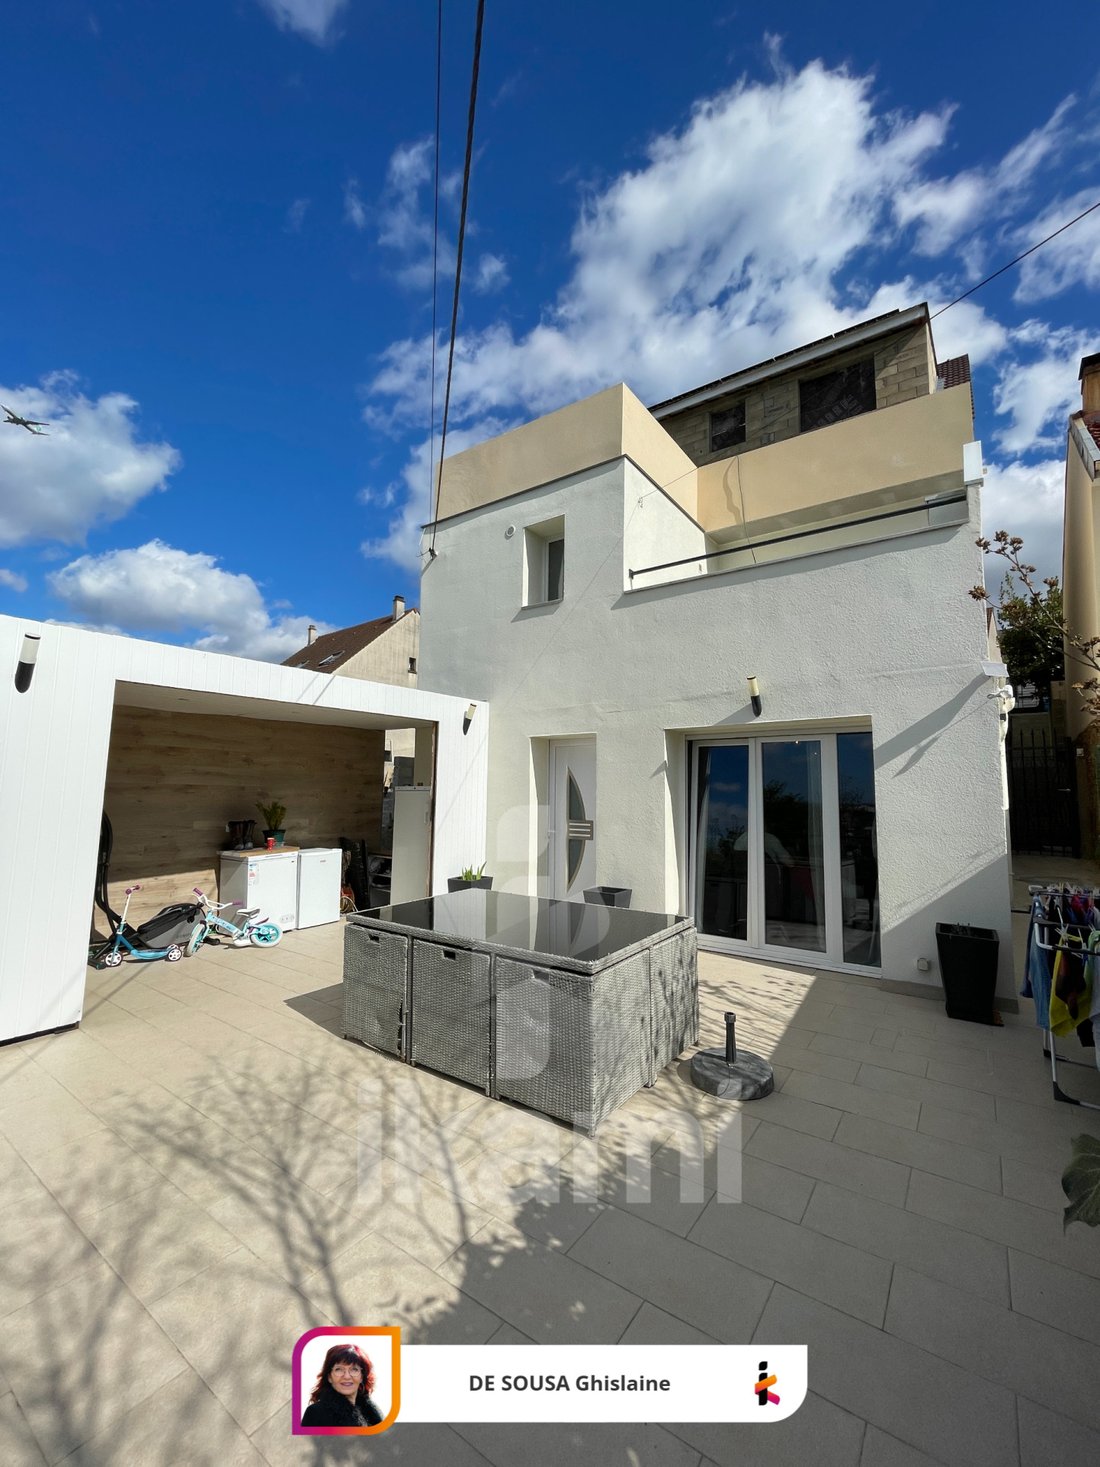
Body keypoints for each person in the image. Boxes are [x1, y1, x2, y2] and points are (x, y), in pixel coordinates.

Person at [301, 1343, 384, 1428]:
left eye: (354, 1369)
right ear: (329, 1377)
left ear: (362, 1377)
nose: (347, 1376)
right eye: (339, 1369)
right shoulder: (316, 1413)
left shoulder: (371, 1415)